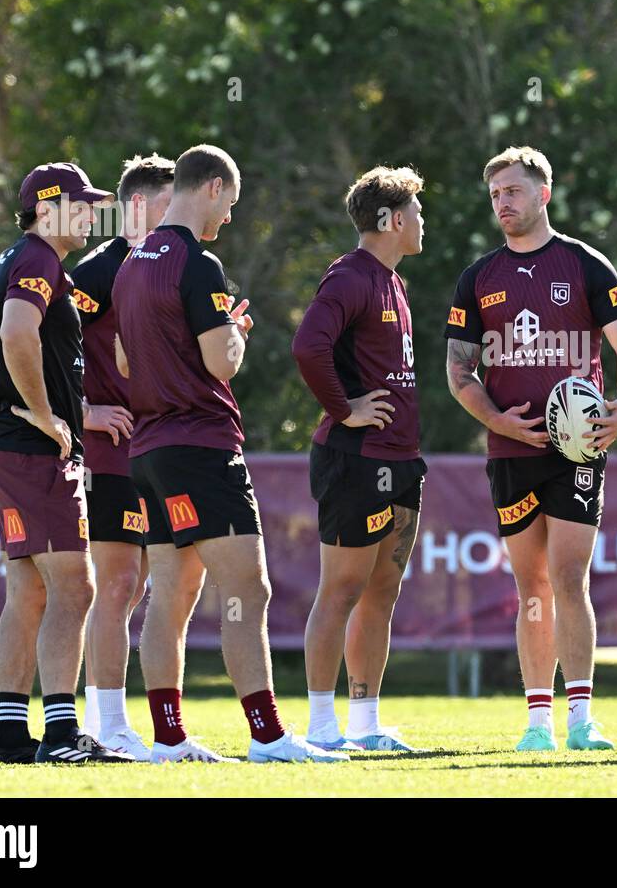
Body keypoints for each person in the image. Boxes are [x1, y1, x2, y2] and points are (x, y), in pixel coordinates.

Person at [112, 144, 343, 763]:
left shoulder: (131, 264)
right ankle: (267, 735)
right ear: (212, 187)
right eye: (231, 203)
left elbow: (124, 362)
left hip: (149, 451)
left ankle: (168, 736)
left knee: (171, 593)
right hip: (200, 445)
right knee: (249, 589)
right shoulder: (198, 263)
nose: (231, 218)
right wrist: (235, 337)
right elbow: (221, 363)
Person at [445, 146, 617, 751]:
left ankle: (582, 719)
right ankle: (538, 723)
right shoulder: (478, 278)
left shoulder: (585, 264)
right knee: (529, 585)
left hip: (577, 445)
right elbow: (459, 374)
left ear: (543, 194)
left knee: (568, 577)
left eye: (513, 191)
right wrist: (497, 421)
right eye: (495, 195)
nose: (503, 203)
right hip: (511, 451)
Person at [0, 162, 132, 764]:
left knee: (28, 589)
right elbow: (14, 335)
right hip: (33, 450)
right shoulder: (38, 257)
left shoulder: (11, 259)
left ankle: (12, 736)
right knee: (76, 585)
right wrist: (39, 415)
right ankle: (63, 735)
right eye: (82, 204)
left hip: (8, 448)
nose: (91, 214)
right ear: (48, 208)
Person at [293, 166, 428, 753]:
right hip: (355, 457)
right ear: (392, 220)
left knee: (381, 593)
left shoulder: (392, 280)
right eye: (417, 212)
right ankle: (322, 726)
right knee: (342, 590)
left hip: (400, 459)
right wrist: (344, 408)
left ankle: (366, 724)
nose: (424, 221)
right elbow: (307, 345)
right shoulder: (350, 276)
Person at [74, 154, 175, 758]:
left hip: (147, 448)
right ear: (136, 208)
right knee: (114, 584)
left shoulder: (158, 268)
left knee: (135, 586)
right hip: (104, 449)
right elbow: (34, 339)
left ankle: (112, 718)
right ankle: (104, 722)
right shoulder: (98, 270)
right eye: (168, 207)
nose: (176, 220)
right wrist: (83, 412)